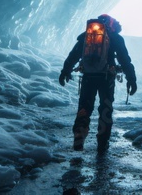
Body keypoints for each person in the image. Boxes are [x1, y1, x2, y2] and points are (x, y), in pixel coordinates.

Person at [59, 14, 137, 153]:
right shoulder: (115, 38)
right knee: (105, 108)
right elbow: (125, 60)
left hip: (88, 76)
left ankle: (79, 134)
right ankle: (102, 143)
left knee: (85, 106)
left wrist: (65, 70)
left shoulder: (86, 36)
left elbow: (74, 55)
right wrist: (131, 79)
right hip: (106, 78)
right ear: (111, 25)